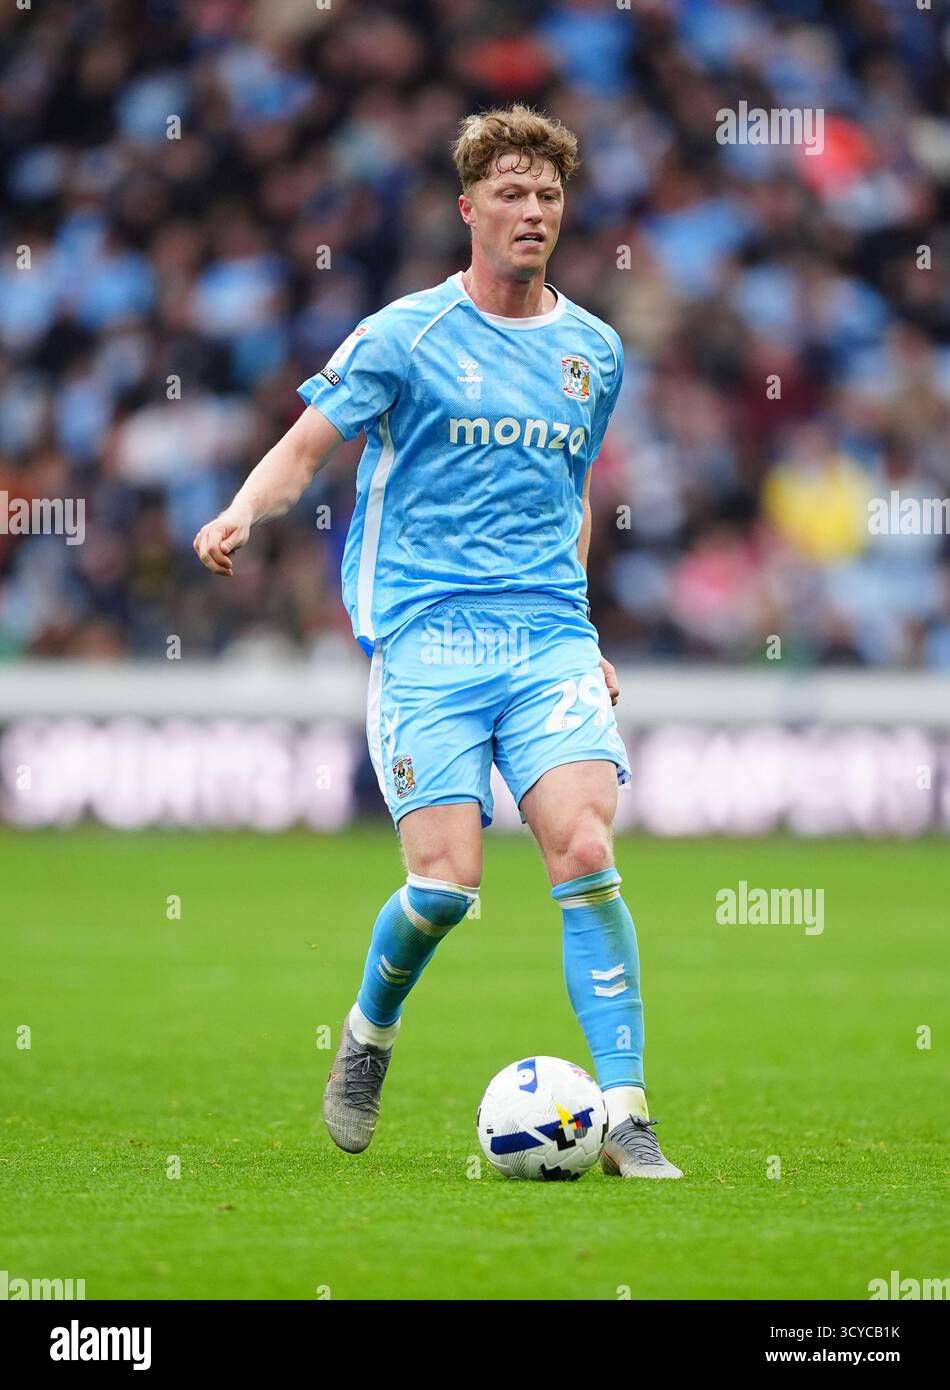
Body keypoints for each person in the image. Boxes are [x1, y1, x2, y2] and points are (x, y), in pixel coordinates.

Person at [194, 105, 682, 1179]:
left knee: (587, 853)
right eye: (510, 193)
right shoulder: (404, 335)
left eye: (547, 195)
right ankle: (368, 1033)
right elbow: (306, 448)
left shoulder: (592, 351)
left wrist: (586, 625)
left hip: (545, 638)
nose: (532, 211)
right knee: (445, 887)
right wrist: (240, 512)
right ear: (468, 209)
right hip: (426, 640)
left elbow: (573, 495)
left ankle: (628, 1109)